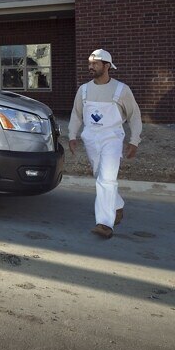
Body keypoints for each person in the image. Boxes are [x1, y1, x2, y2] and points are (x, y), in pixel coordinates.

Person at [69, 49, 142, 239]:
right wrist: (72, 135)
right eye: (89, 62)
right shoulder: (83, 90)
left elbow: (134, 116)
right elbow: (76, 115)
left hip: (112, 138)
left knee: (107, 179)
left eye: (95, 63)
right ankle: (117, 205)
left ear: (107, 65)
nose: (90, 66)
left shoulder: (121, 90)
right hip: (91, 139)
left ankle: (104, 223)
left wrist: (134, 140)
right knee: (100, 176)